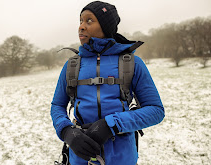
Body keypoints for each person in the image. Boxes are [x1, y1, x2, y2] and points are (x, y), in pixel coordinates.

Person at [51, 1, 165, 165]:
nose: (81, 27)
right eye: (80, 21)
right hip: (80, 158)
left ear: (106, 26)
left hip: (122, 158)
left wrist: (111, 124)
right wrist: (67, 131)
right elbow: (57, 105)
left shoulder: (132, 63)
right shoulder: (71, 65)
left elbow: (156, 110)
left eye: (89, 20)